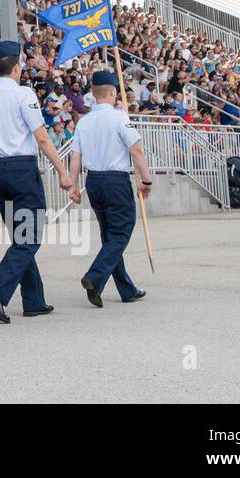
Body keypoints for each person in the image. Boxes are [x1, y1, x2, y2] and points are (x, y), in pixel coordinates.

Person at [0, 39, 78, 325]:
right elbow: (41, 137)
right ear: (16, 67)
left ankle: (34, 300)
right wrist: (63, 172)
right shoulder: (24, 94)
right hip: (21, 169)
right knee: (30, 237)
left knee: (20, 235)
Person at [71, 70, 151, 307]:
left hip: (93, 180)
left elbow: (76, 156)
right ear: (114, 92)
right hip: (115, 180)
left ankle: (126, 289)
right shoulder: (119, 117)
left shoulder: (83, 121)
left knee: (109, 236)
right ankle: (95, 276)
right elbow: (136, 149)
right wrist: (146, 181)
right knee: (121, 232)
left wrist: (73, 185)